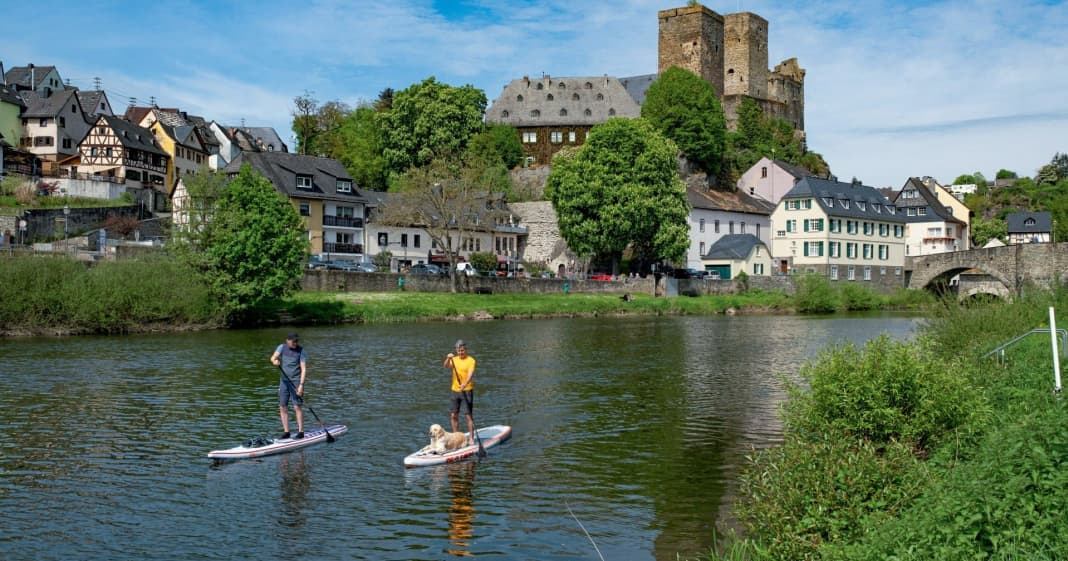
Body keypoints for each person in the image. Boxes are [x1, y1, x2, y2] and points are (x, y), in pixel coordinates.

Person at [270, 333, 307, 439]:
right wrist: (275, 361)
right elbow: (273, 358)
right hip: (284, 381)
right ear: (287, 340)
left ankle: (301, 432)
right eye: (293, 341)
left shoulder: (301, 351)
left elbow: (304, 369)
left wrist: (301, 385)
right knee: (282, 406)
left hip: (296, 381)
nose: (295, 343)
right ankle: (286, 432)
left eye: (297, 341)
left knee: (297, 406)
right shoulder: (282, 347)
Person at [444, 339, 476, 446]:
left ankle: (471, 438)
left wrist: (464, 384)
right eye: (458, 351)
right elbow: (446, 366)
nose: (460, 352)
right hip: (455, 391)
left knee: (468, 416)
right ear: (456, 350)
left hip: (466, 391)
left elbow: (470, 374)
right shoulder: (454, 359)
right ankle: (456, 438)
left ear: (465, 350)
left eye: (462, 350)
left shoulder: (471, 360)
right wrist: (448, 359)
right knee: (453, 415)